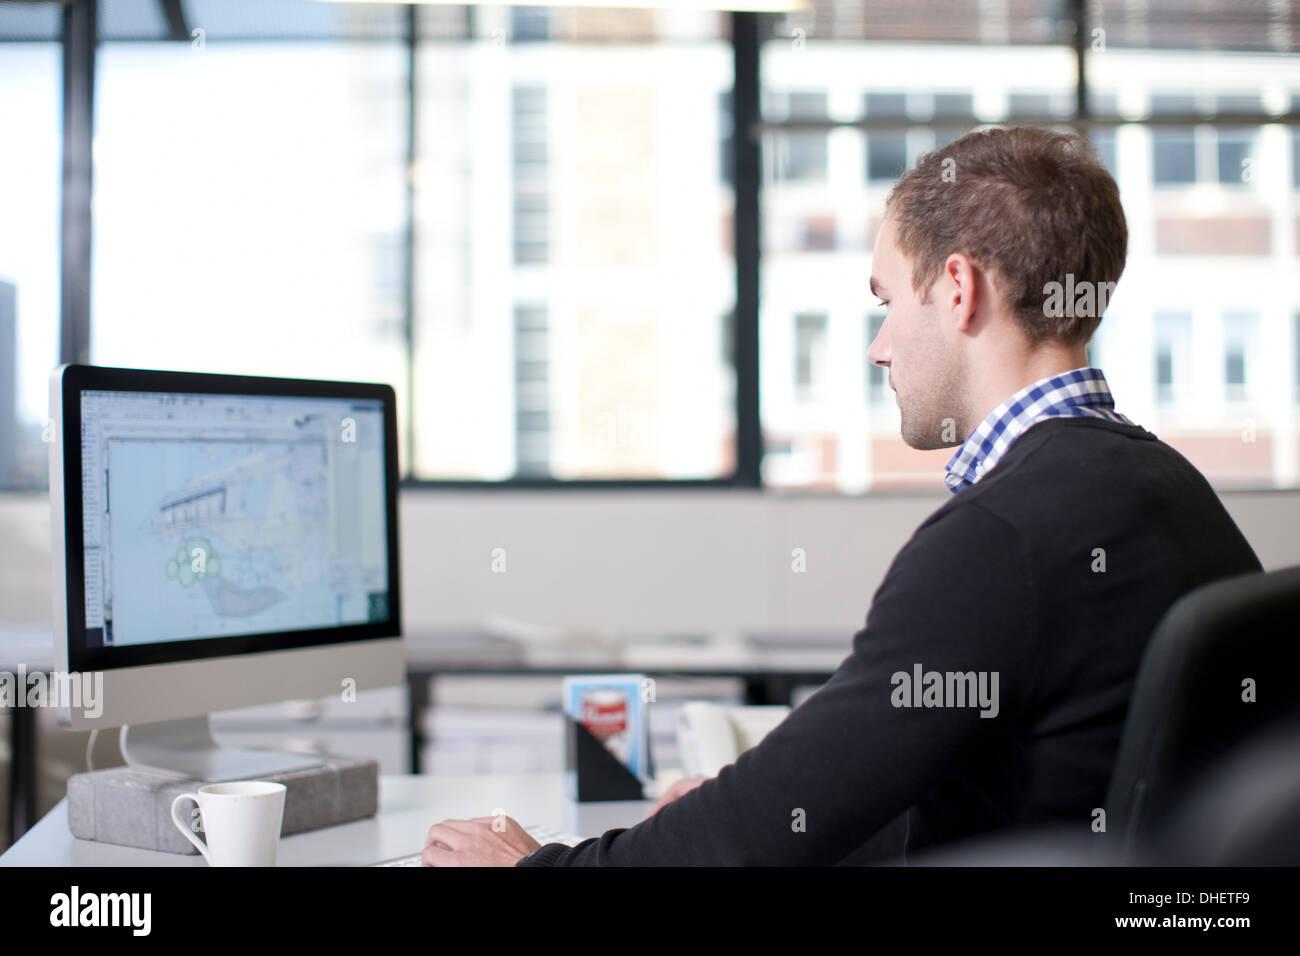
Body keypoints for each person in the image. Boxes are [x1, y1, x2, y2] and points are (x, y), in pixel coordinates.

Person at [419, 125, 1263, 867]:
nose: (879, 347)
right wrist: (762, 811)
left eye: (889, 301)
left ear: (959, 289)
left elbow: (752, 840)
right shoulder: (1171, 493)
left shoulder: (1004, 537)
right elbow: (967, 801)